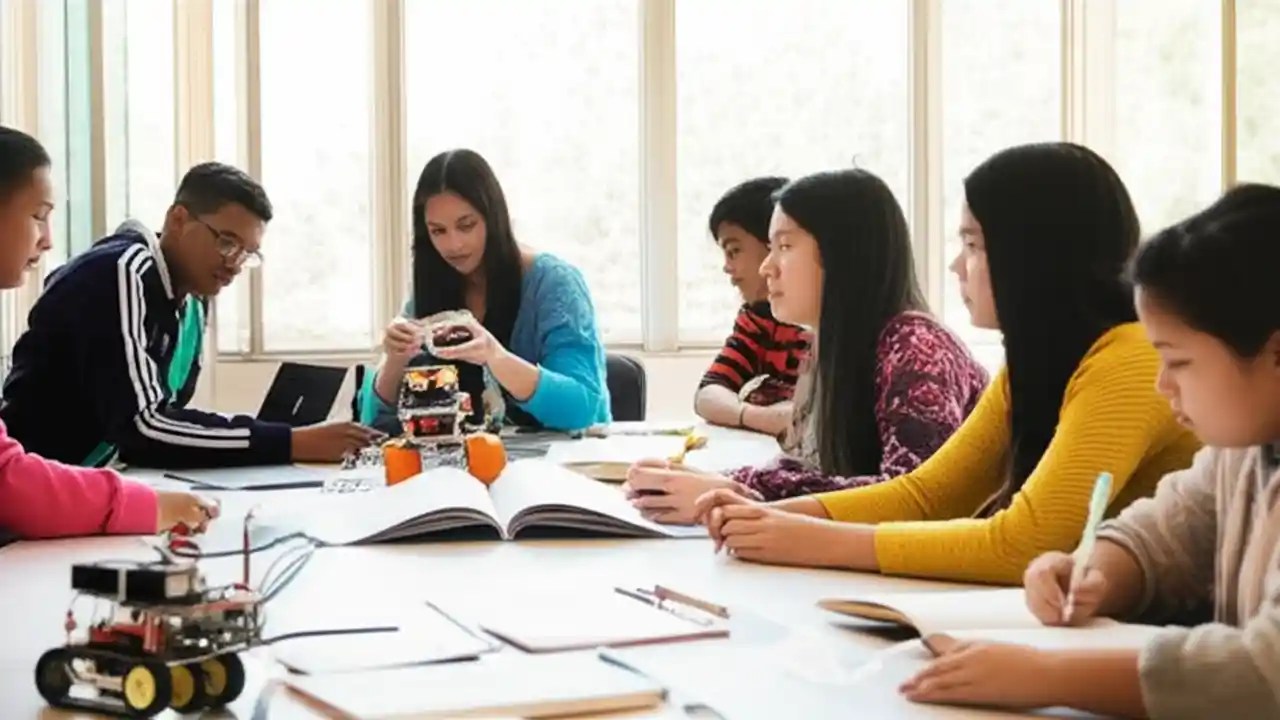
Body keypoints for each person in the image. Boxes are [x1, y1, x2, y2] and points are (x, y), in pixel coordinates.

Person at [695, 142, 1201, 585]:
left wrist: (808, 537)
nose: (957, 265)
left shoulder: (1128, 359)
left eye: (974, 244)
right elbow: (928, 495)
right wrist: (771, 515)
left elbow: (1022, 542)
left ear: (1033, 254)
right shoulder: (1042, 358)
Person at [901, 183, 1280, 720]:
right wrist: (1095, 571)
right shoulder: (1242, 449)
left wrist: (1047, 676)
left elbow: (1264, 674)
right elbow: (1166, 534)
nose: (1163, 386)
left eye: (1179, 362)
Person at [625, 169, 987, 524]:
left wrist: (734, 492)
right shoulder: (832, 346)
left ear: (843, 254)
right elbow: (817, 472)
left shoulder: (917, 347)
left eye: (784, 247)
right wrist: (717, 483)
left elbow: (910, 499)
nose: (767, 268)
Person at [0, 161, 379, 470]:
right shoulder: (121, 272)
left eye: (247, 253)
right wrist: (292, 441)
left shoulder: (194, 299)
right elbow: (143, 428)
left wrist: (277, 439)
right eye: (227, 242)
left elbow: (167, 416)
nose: (234, 263)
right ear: (178, 220)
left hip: (92, 479)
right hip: (31, 494)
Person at [0, 126, 216, 543]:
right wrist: (150, 506)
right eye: (38, 216)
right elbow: (9, 482)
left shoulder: (192, 306)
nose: (47, 241)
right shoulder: (120, 271)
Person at [360, 149, 610, 433]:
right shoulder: (430, 287)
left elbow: (582, 407)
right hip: (462, 456)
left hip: (564, 455)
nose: (453, 245)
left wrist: (495, 356)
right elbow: (372, 423)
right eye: (438, 231)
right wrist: (395, 360)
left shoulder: (555, 284)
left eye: (466, 226)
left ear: (493, 219)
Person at [694, 176, 809, 436]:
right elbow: (709, 392)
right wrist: (755, 415)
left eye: (734, 251)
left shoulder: (827, 325)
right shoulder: (758, 319)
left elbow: (810, 419)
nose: (726, 267)